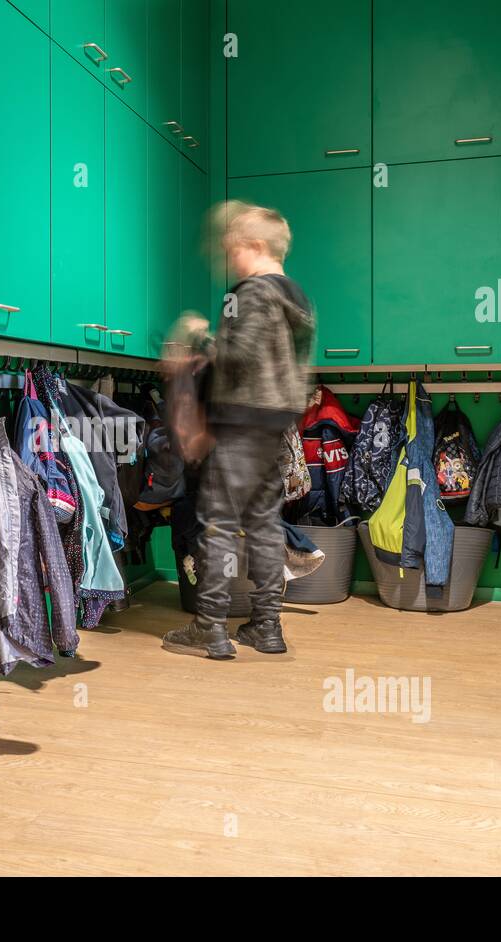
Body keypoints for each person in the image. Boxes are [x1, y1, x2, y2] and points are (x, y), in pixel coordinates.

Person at [162, 202, 315, 659]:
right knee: (265, 525)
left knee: (219, 526)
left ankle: (209, 628)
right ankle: (266, 627)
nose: (230, 260)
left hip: (240, 421)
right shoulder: (298, 298)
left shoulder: (252, 294)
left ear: (257, 245)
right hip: (276, 426)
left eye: (234, 250)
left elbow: (241, 358)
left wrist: (200, 336)